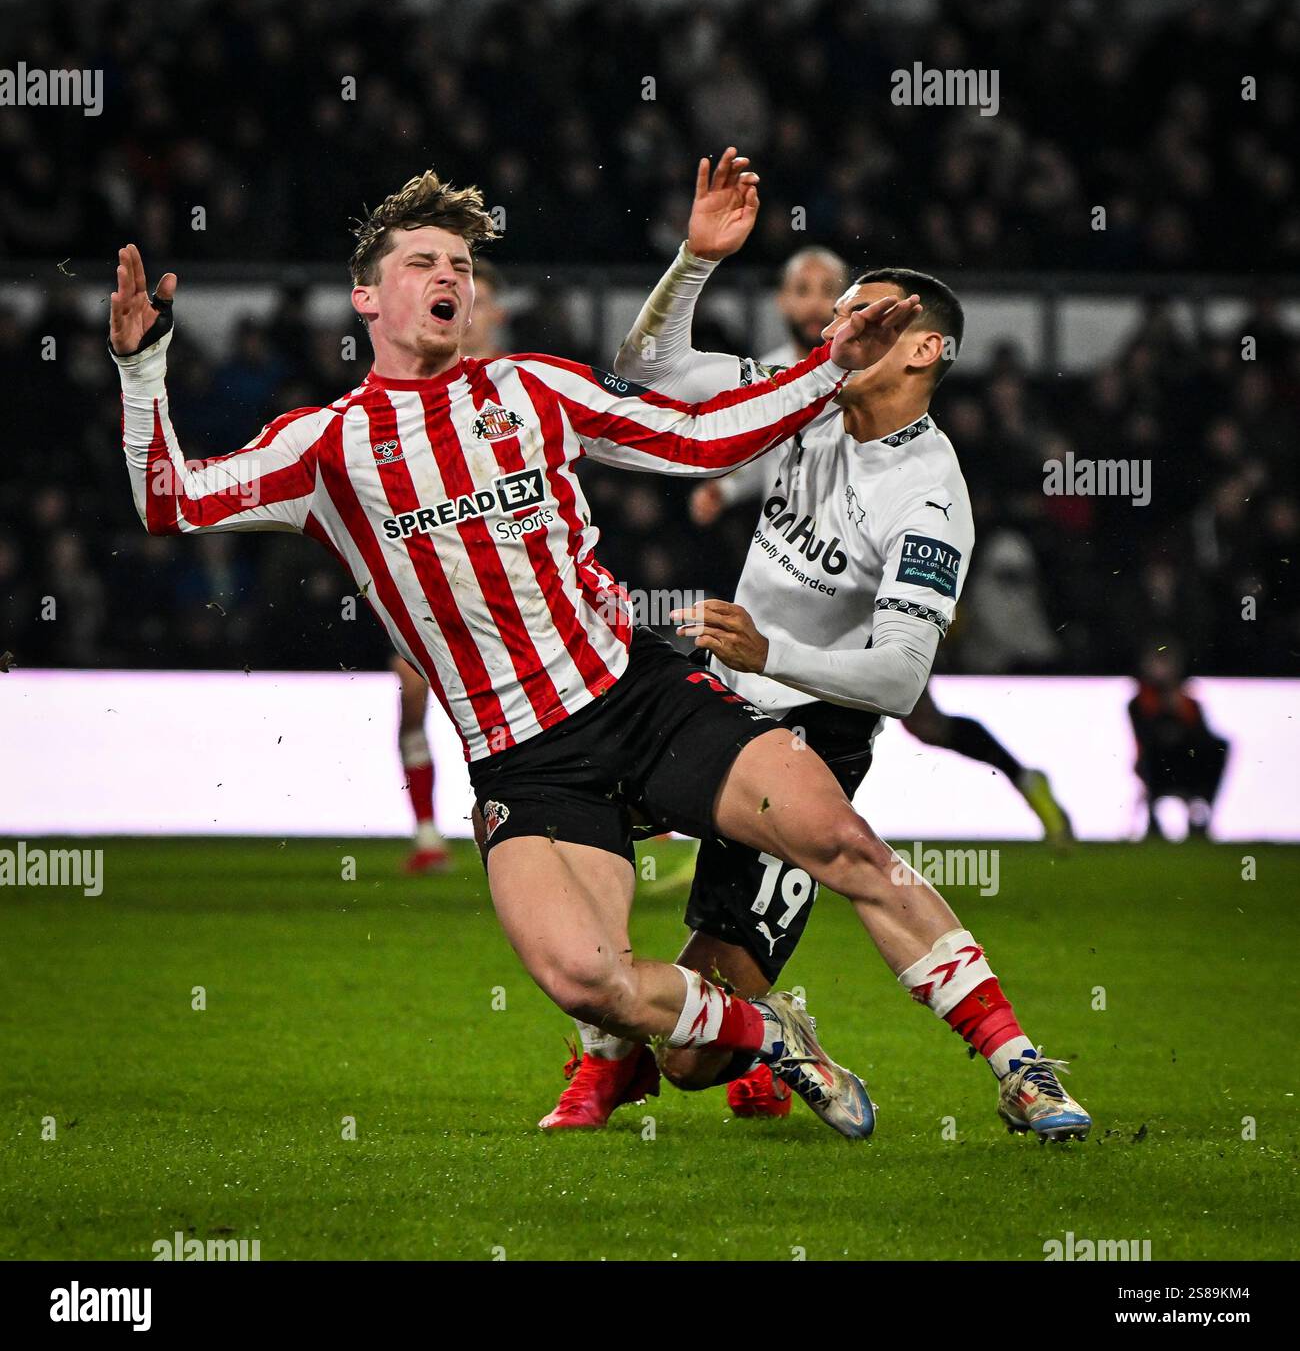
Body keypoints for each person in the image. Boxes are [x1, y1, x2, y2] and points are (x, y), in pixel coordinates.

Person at [107, 168, 927, 1138]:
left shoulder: (525, 388)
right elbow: (169, 499)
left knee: (819, 837)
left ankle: (980, 1049)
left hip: (627, 696)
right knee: (589, 979)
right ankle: (766, 1033)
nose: (446, 274)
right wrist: (142, 371)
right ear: (368, 295)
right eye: (421, 261)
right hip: (519, 758)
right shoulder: (323, 447)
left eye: (460, 261)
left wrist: (831, 366)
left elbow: (703, 441)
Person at [537, 150, 1090, 1139]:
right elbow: (648, 367)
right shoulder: (807, 401)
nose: (836, 332)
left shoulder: (928, 500)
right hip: (705, 700)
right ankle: (605, 1062)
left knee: (704, 1046)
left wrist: (769, 653)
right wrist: (695, 260)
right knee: (562, 817)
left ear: (922, 350)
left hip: (802, 724)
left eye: (866, 319)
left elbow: (898, 676)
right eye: (837, 317)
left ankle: (1011, 1066)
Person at [690, 221, 1072, 845]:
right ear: (785, 303)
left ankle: (1023, 781)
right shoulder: (796, 377)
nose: (820, 307)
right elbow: (668, 381)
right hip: (786, 606)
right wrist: (727, 488)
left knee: (922, 720)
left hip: (851, 626)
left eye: (833, 293)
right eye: (806, 291)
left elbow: (895, 677)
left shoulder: (909, 469)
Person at [396, 259, 508, 875]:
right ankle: (425, 832)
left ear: (496, 313)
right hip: (433, 578)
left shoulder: (521, 386)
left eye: (480, 299)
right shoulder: (415, 387)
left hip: (516, 582)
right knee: (412, 696)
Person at [1128, 646, 1229, 839]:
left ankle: (1202, 811)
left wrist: (1180, 712)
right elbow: (1145, 735)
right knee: (1155, 754)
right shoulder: (1139, 702)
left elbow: (1203, 737)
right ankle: (1153, 821)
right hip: (1155, 766)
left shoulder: (1189, 703)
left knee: (1219, 747)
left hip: (1187, 765)